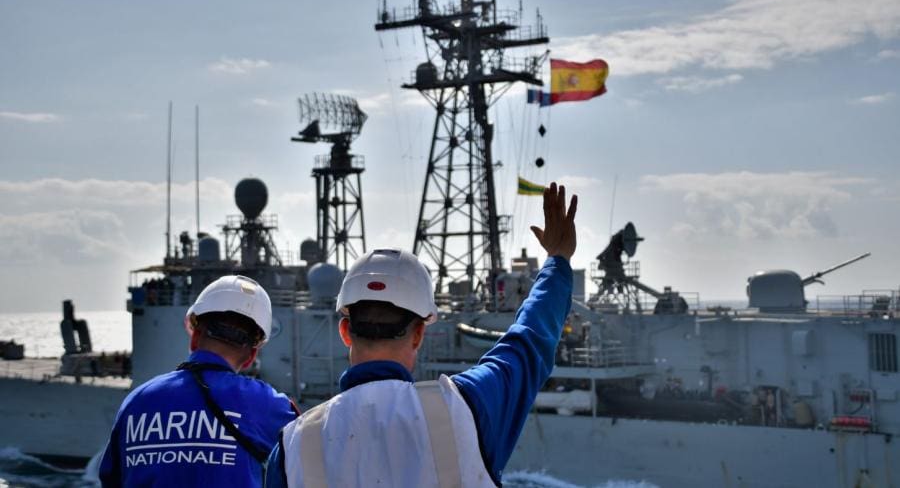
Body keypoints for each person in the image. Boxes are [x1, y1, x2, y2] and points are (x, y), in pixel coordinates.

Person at [266, 182, 577, 487]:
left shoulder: (294, 444)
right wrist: (557, 260)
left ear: (346, 331)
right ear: (418, 334)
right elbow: (529, 341)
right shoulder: (465, 408)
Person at [99, 275, 298, 487]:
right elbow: (307, 464)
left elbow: (111, 478)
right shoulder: (270, 405)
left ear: (195, 337)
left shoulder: (135, 403)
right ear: (251, 356)